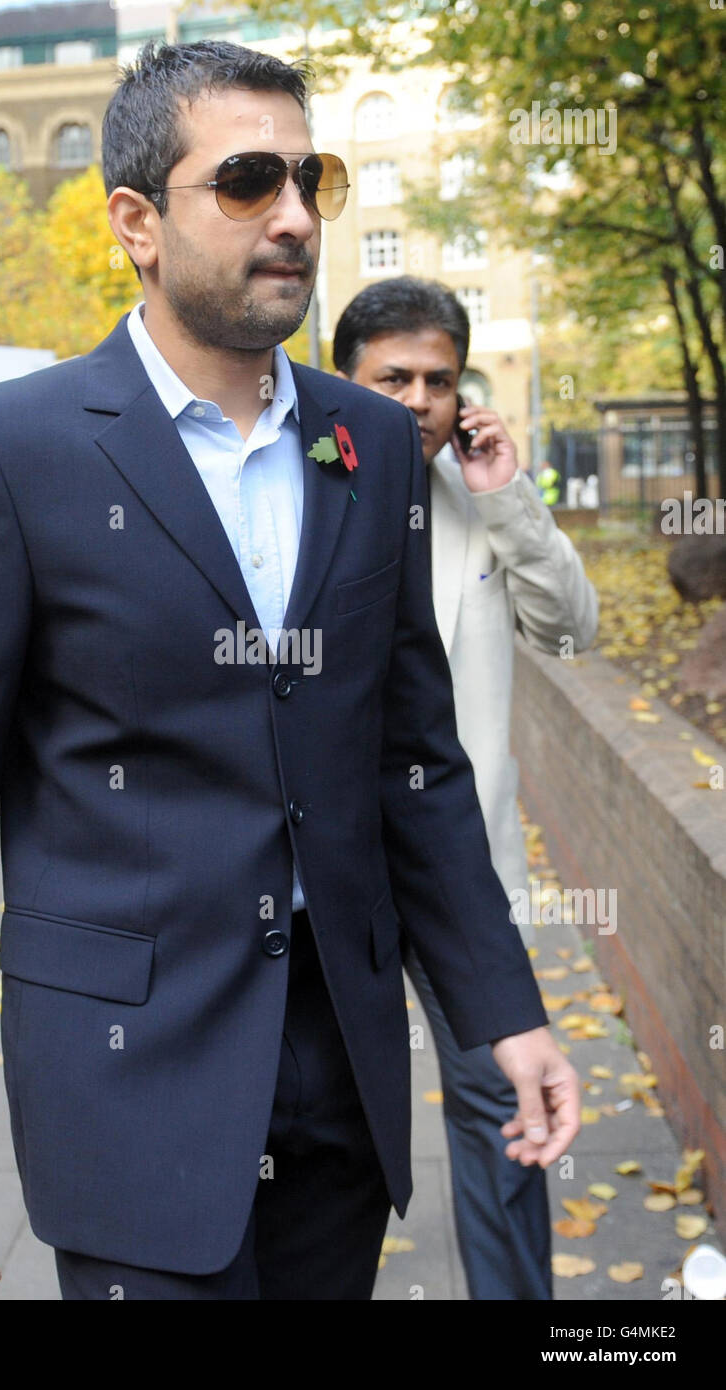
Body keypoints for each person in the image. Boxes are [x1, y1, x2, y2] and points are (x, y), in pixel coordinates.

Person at [0, 41, 579, 1301]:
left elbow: (412, 758)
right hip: (126, 1076)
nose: (297, 217)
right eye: (249, 181)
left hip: (341, 1072)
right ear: (137, 222)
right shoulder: (11, 451)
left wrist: (502, 1008)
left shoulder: (364, 439)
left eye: (314, 179)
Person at [333, 276, 598, 1299]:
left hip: (460, 880)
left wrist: (508, 500)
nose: (415, 399)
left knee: (505, 1108)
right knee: (328, 1132)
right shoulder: (310, 498)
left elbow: (572, 632)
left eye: (436, 379)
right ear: (343, 381)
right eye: (390, 377)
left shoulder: (481, 501)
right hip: (335, 884)